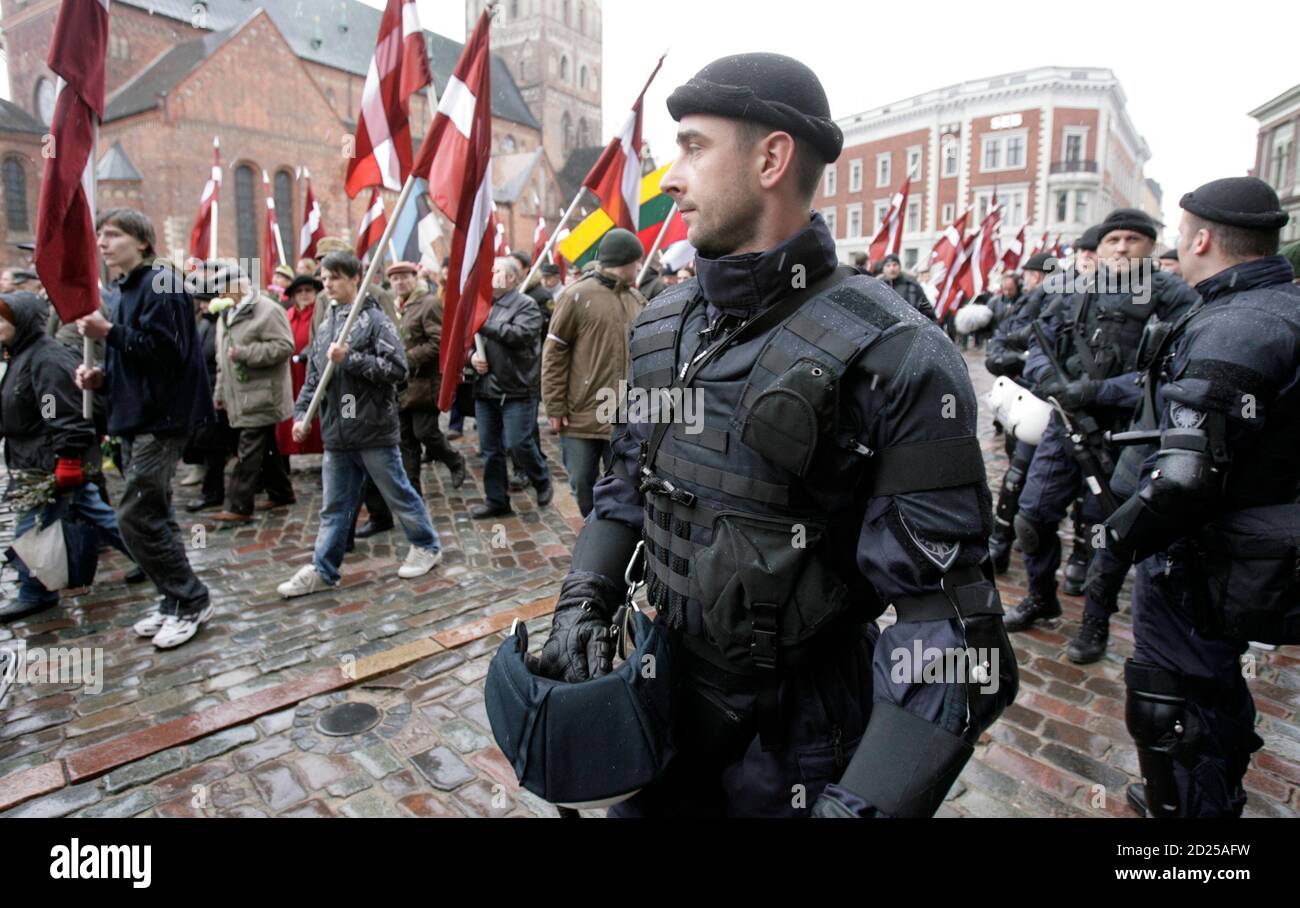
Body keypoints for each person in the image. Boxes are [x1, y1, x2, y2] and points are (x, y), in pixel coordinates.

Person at [530, 53, 1015, 817]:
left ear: (771, 157)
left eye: (692, 147)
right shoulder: (662, 326)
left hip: (800, 742)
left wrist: (860, 807)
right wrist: (583, 599)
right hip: (656, 704)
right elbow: (626, 489)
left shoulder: (897, 356)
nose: (667, 178)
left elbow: (952, 635)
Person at [1104, 176, 1299, 817]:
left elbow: (1186, 479)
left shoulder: (1233, 326)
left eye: (1183, 236)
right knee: (1213, 682)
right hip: (1253, 546)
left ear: (1204, 238)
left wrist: (1121, 535)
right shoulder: (1280, 305)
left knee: (1175, 699)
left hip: (1205, 553)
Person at [1006, 207, 1200, 666]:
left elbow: (1174, 372)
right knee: (1031, 518)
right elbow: (1036, 345)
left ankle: (1095, 621)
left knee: (1107, 531)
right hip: (1063, 422)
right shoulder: (1074, 288)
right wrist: (1046, 381)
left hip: (1129, 431)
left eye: (1134, 239)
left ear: (1151, 246)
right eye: (1114, 240)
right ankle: (1040, 596)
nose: (1121, 248)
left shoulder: (1173, 297)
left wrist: (1097, 389)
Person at [74, 208, 216, 649]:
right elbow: (135, 360)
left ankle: (191, 600)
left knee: (134, 514)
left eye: (113, 234)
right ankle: (172, 598)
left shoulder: (162, 282)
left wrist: (110, 332)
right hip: (134, 416)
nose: (102, 243)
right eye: (100, 235)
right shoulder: (123, 289)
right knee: (155, 513)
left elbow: (167, 353)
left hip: (164, 418)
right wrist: (102, 378)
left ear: (142, 241)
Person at [276, 251, 442, 597]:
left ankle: (426, 544)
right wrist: (303, 415)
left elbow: (397, 369)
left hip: (372, 428)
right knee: (335, 505)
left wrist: (350, 358)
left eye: (335, 277)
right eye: (324, 278)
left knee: (396, 490)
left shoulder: (375, 321)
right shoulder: (325, 326)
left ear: (355, 279)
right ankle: (324, 567)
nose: (328, 284)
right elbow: (313, 378)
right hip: (337, 432)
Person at [0, 292, 142, 619]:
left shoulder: (46, 359)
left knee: (32, 527)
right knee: (101, 518)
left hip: (50, 463)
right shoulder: (21, 356)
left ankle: (35, 591)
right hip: (33, 460)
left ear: (21, 321)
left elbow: (62, 413)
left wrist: (67, 459)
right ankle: (151, 558)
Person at [542, 228, 646, 517]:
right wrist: (555, 404)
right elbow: (554, 353)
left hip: (624, 416)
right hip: (581, 414)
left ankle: (611, 535)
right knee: (582, 482)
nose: (639, 267)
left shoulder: (636, 299)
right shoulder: (575, 295)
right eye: (637, 261)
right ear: (626, 261)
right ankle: (591, 530)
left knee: (624, 483)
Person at [983, 253, 1058, 573]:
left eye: (1031, 273)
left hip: (1062, 406)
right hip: (1026, 397)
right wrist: (1020, 358)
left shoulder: (1064, 300)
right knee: (1016, 474)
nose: (1026, 278)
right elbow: (1000, 346)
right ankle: (999, 543)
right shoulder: (1025, 306)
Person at [207, 266, 297, 523]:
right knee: (265, 445)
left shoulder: (268, 310)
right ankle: (281, 492)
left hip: (262, 394)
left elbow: (283, 346)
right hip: (240, 394)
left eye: (223, 288)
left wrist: (246, 353)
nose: (218, 294)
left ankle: (239, 505)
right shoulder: (225, 314)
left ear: (238, 286)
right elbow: (221, 358)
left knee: (248, 448)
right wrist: (220, 391)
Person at [469, 256, 551, 518]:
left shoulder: (526, 305)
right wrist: (472, 357)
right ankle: (496, 500)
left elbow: (520, 335)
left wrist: (483, 323)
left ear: (512, 278)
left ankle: (540, 478)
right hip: (485, 389)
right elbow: (467, 342)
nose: (489, 274)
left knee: (518, 443)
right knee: (490, 450)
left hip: (517, 388)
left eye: (496, 271)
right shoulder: (481, 306)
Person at [388, 260, 466, 493]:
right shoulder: (393, 307)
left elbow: (439, 342)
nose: (400, 282)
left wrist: (407, 358)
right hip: (399, 385)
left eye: (404, 277)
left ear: (415, 277)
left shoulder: (429, 303)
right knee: (405, 439)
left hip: (424, 382)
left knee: (425, 432)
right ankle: (413, 490)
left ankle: (454, 460)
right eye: (394, 278)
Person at [275, 273, 325, 460]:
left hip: (310, 370)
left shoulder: (320, 314)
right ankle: (291, 447)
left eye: (308, 290)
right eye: (299, 291)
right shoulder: (287, 316)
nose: (304, 294)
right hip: (290, 373)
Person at [876, 253, 936, 320]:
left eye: (894, 265)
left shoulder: (912, 286)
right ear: (883, 269)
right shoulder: (877, 287)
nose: (892, 268)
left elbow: (927, 310)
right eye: (888, 265)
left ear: (899, 267)